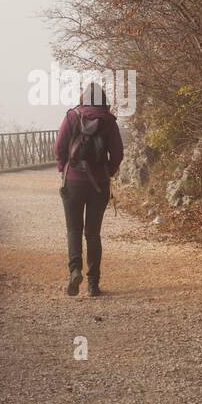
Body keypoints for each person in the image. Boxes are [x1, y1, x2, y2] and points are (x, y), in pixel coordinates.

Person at [55, 82, 124, 297]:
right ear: (103, 99)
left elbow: (59, 147)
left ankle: (75, 270)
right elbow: (118, 153)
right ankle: (93, 284)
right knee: (93, 233)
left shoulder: (72, 116)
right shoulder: (109, 121)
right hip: (99, 184)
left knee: (73, 230)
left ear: (84, 98)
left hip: (73, 181)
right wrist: (108, 172)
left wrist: (63, 168)